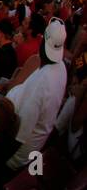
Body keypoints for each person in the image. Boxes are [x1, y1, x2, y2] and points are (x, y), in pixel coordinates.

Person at [6, 20, 69, 170]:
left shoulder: (43, 83)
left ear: (43, 43)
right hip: (30, 141)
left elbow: (19, 136)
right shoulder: (61, 67)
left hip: (17, 154)